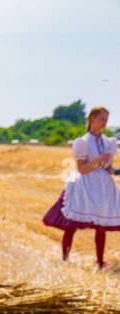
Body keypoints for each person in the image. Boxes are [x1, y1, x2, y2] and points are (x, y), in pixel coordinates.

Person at [42, 106, 120, 268]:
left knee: (101, 226)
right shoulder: (83, 142)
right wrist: (99, 159)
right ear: (92, 119)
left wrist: (114, 170)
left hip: (103, 185)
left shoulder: (108, 142)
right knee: (72, 225)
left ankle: (99, 261)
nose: (104, 122)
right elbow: (81, 169)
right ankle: (65, 258)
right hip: (85, 185)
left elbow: (108, 168)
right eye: (101, 119)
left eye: (106, 119)